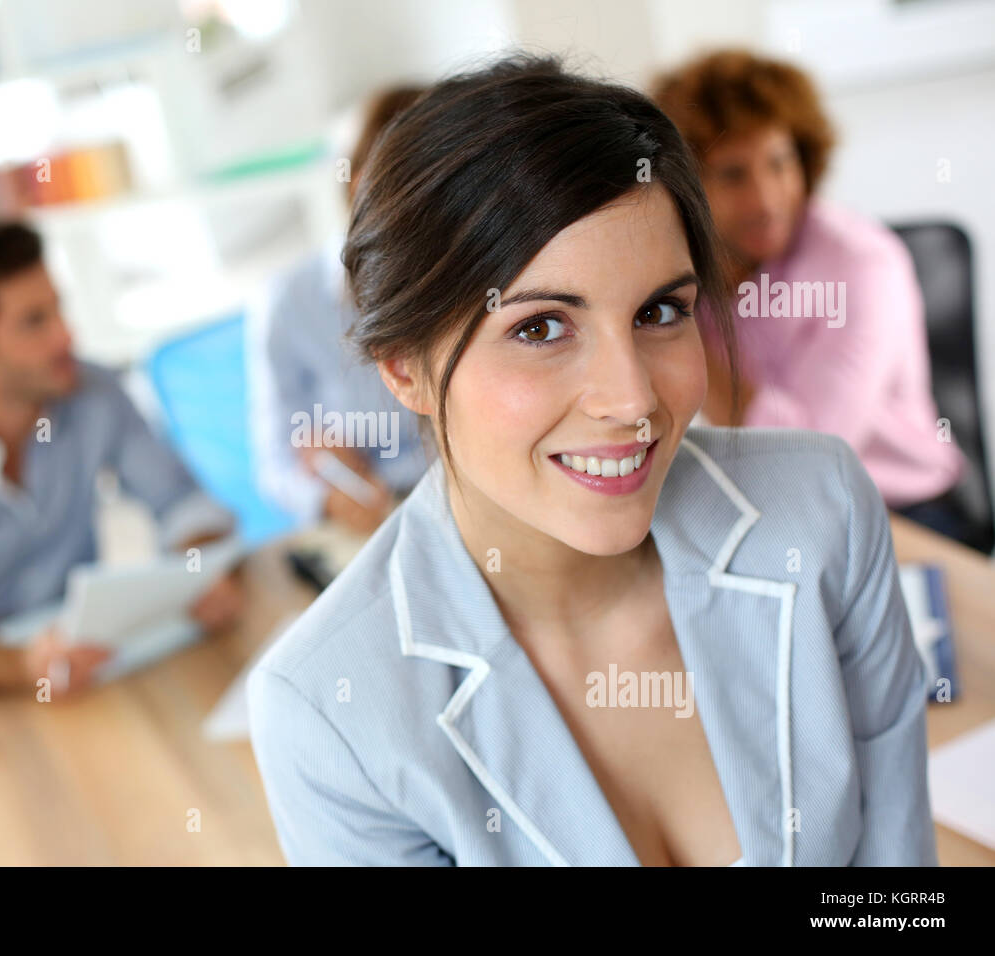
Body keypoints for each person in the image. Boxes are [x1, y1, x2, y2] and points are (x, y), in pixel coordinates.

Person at [247, 55, 936, 866]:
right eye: (540, 327)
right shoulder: (330, 709)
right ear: (404, 367)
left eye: (660, 311)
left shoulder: (823, 512)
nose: (632, 399)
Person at [0, 222, 242, 699]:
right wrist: (20, 666)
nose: (66, 336)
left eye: (59, 307)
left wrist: (199, 574)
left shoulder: (92, 392)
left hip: (82, 674)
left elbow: (185, 505)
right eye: (34, 322)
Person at [651, 50, 976, 547]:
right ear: (691, 184)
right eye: (733, 174)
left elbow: (811, 451)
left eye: (781, 163)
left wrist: (687, 322)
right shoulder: (697, 259)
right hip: (776, 501)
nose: (766, 200)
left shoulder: (862, 262)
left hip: (907, 512)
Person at [246, 86, 430, 534]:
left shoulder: (473, 285)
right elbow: (277, 463)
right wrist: (329, 490)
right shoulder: (290, 301)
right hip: (364, 521)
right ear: (362, 183)